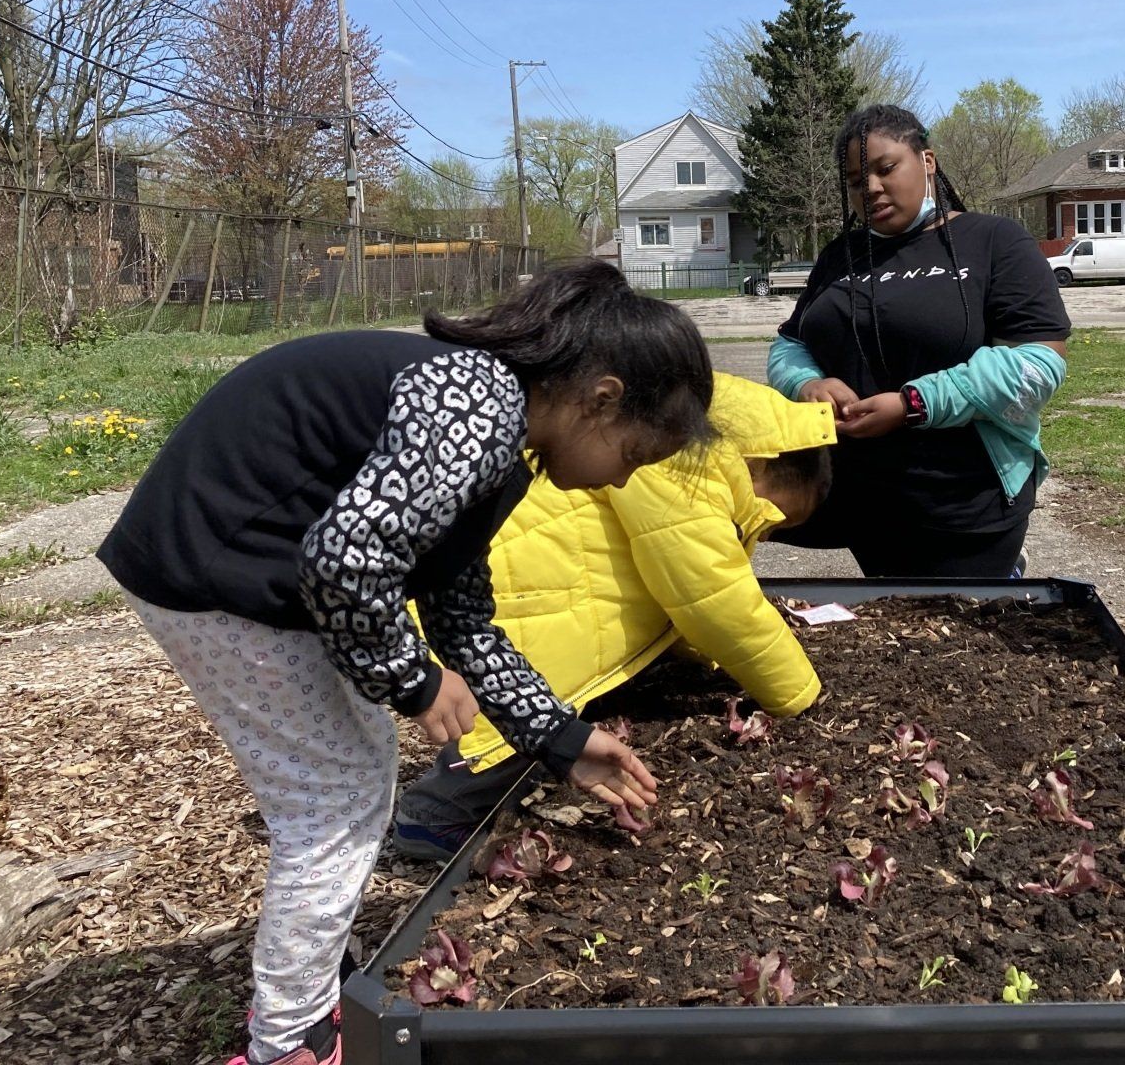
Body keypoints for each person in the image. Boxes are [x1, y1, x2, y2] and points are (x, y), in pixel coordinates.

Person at [95, 261, 710, 1065]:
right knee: (333, 799)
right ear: (601, 397)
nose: (622, 478)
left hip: (238, 567)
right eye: (634, 453)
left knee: (351, 775)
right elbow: (346, 562)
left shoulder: (499, 434)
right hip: (217, 569)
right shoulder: (476, 406)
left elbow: (462, 618)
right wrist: (413, 682)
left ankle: (306, 985)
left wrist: (562, 740)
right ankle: (289, 1042)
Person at [391, 371, 836, 858]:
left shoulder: (680, 443)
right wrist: (799, 697)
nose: (765, 533)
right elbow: (714, 598)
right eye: (773, 519)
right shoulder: (686, 465)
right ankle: (432, 816)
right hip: (533, 596)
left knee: (529, 701)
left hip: (551, 586)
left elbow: (676, 596)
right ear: (756, 467)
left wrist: (699, 658)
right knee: (519, 711)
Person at [766, 103, 1070, 577]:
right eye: (854, 181)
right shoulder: (841, 255)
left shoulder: (994, 240)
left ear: (927, 161)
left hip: (962, 503)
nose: (870, 188)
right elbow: (790, 344)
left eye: (885, 168)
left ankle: (1006, 571)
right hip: (858, 497)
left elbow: (1037, 365)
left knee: (958, 620)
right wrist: (807, 383)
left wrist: (913, 404)